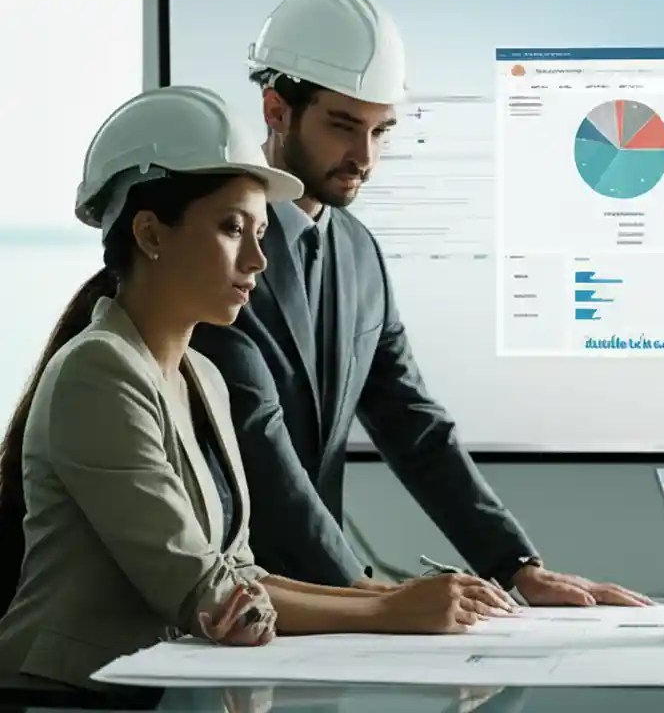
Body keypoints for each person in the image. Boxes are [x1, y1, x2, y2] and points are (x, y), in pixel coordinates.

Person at [0, 86, 517, 696]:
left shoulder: (204, 378)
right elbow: (204, 590)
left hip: (162, 692)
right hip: (66, 696)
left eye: (261, 232)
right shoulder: (98, 372)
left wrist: (391, 596)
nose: (257, 260)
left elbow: (241, 573)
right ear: (151, 233)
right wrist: (389, 613)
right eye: (231, 229)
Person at [187, 0, 651, 607]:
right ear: (276, 108)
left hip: (324, 612)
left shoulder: (359, 252)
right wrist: (369, 595)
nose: (365, 157)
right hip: (222, 598)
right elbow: (257, 442)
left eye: (382, 131)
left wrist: (513, 564)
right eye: (343, 126)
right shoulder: (214, 248)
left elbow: (413, 424)